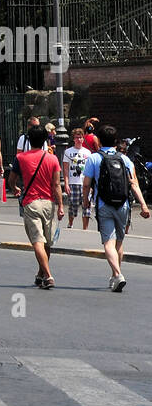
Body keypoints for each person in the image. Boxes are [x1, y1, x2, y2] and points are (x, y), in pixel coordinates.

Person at [82, 122, 150, 292]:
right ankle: (114, 276)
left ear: (99, 140)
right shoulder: (125, 159)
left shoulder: (94, 158)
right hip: (123, 205)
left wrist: (85, 203)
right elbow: (134, 184)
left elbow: (86, 184)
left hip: (103, 204)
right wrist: (143, 205)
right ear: (115, 141)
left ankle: (118, 274)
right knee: (119, 243)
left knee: (108, 242)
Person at [5, 124, 64, 289]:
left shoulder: (21, 158)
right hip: (49, 203)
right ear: (46, 140)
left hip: (31, 202)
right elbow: (56, 185)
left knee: (37, 241)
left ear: (29, 140)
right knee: (47, 242)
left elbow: (12, 180)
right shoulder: (52, 159)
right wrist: (60, 206)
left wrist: (16, 188)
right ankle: (42, 274)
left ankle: (47, 275)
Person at [62, 127, 92, 231]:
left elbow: (90, 170)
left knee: (86, 206)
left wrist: (91, 185)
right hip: (73, 182)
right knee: (73, 206)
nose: (79, 140)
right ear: (73, 139)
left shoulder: (88, 153)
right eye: (77, 138)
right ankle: (70, 223)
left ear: (83, 139)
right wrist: (66, 183)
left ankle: (85, 228)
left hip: (85, 183)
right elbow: (65, 170)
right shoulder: (68, 152)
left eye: (80, 137)